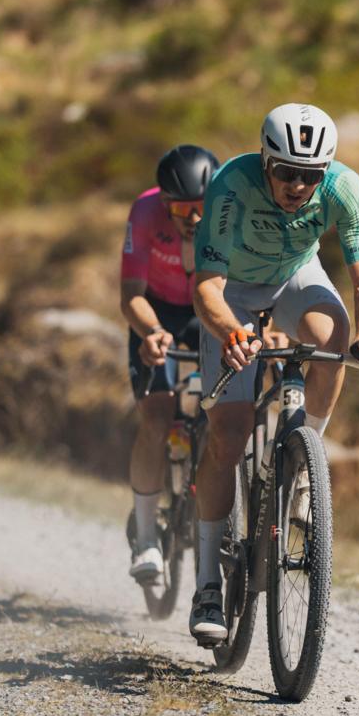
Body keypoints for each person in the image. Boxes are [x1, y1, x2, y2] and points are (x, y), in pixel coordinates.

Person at [189, 103, 359, 643]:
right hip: (232, 288)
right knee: (228, 436)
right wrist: (232, 330)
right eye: (285, 172)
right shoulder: (231, 185)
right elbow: (205, 286)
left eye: (311, 175)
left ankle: (305, 463)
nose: (298, 186)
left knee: (334, 337)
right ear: (264, 160)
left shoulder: (345, 189)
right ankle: (208, 581)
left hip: (295, 275)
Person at [120, 144, 219, 583]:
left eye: (202, 207)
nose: (195, 218)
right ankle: (145, 537)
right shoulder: (144, 213)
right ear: (164, 202)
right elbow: (131, 295)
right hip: (156, 311)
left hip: (209, 311)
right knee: (156, 420)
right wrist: (151, 333)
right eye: (182, 208)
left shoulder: (229, 212)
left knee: (223, 413)